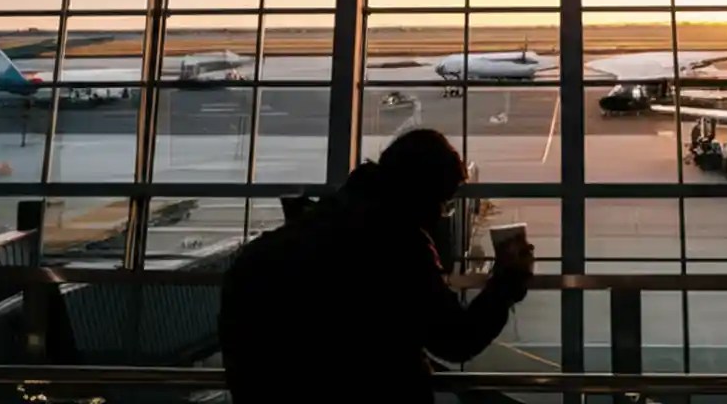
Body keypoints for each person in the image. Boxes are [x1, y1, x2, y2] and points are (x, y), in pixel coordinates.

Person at [219, 128, 535, 402]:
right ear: (421, 192)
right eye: (441, 200)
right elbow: (455, 340)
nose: (440, 213)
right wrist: (507, 283)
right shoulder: (396, 244)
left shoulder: (287, 240)